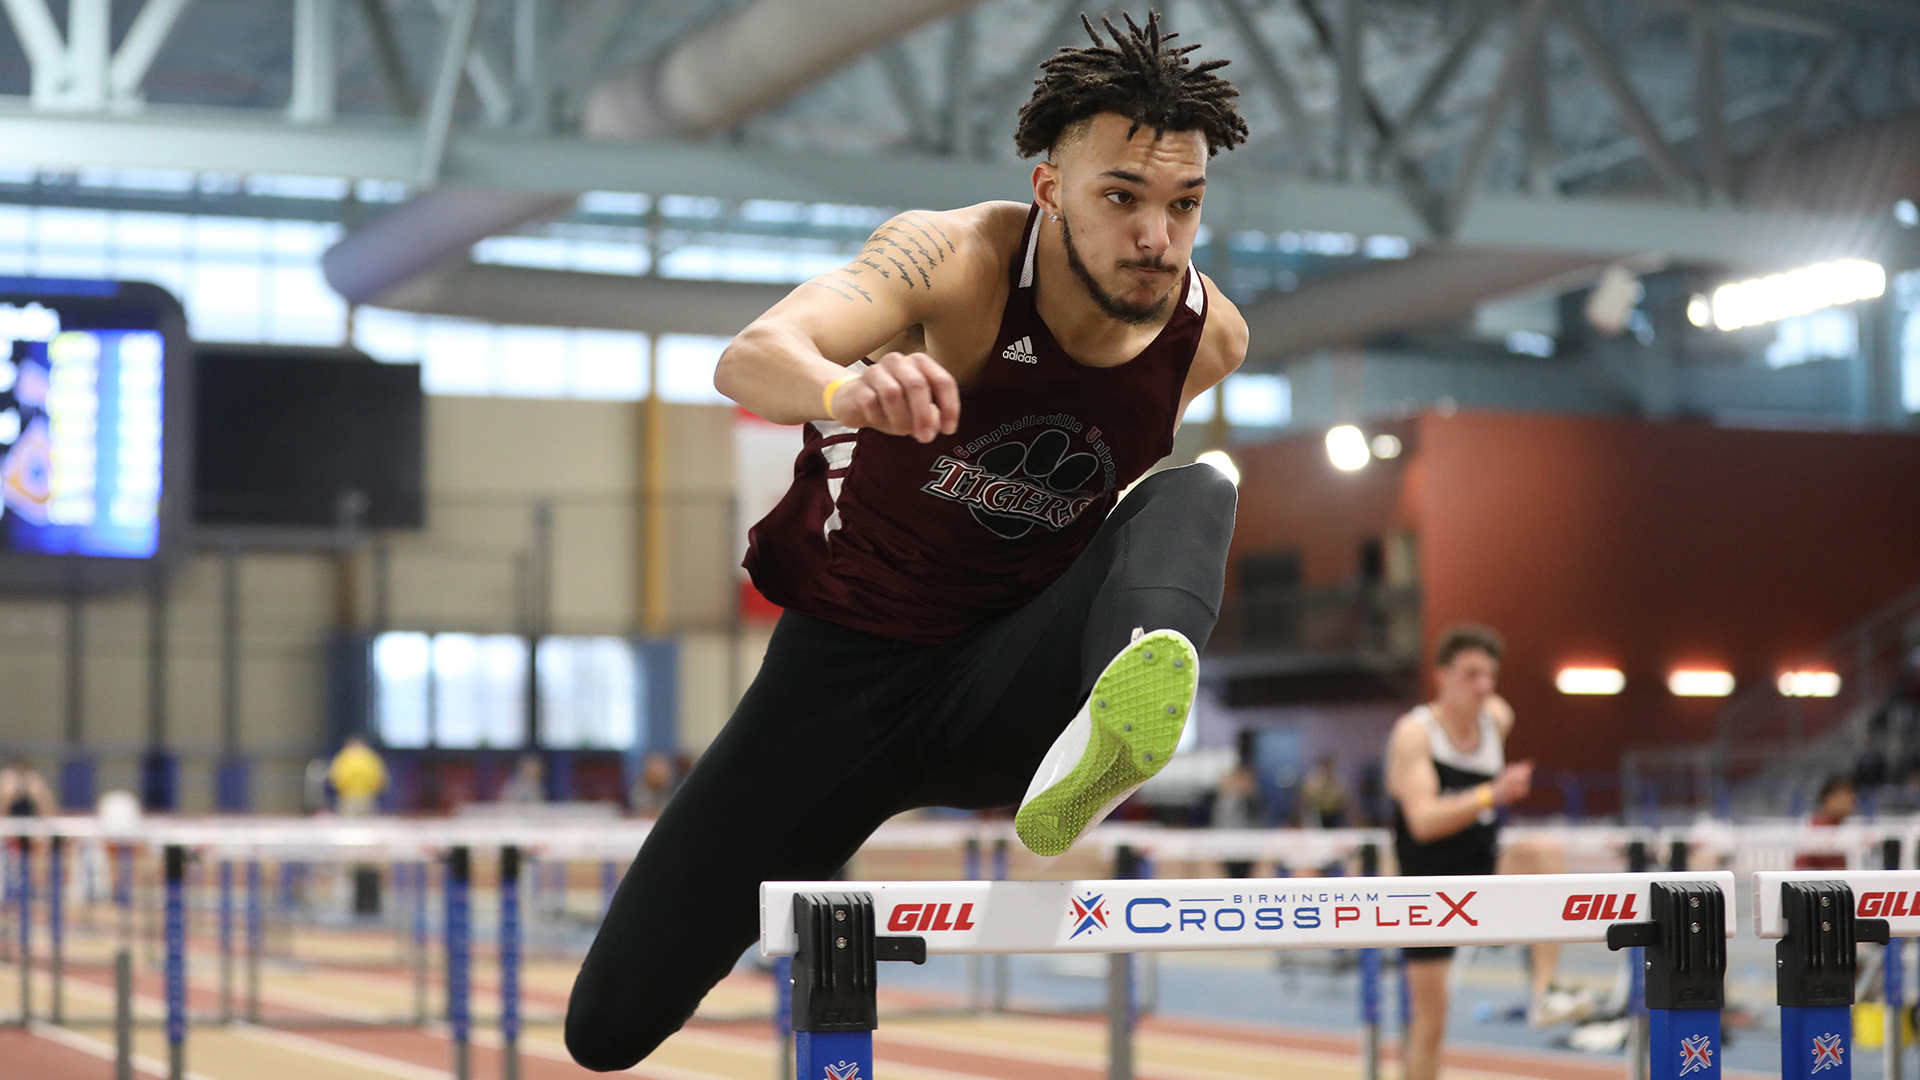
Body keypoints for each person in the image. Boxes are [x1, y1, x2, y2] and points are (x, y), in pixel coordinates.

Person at [566, 13, 1249, 1071]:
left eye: (1185, 205)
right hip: (835, 687)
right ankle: (1100, 726)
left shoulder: (1212, 338)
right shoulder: (960, 261)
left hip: (1007, 684)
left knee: (1198, 485)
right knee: (607, 1029)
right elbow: (754, 356)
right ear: (1048, 188)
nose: (1157, 238)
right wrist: (850, 385)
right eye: (1123, 197)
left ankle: (1120, 725)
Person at [1387, 625, 1549, 1080]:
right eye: (1471, 674)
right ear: (1442, 675)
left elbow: (1493, 706)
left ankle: (1545, 992)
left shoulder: (1495, 717)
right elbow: (1421, 822)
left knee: (1542, 853)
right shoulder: (1415, 734)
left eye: (1490, 675)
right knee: (1430, 1025)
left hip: (1484, 872)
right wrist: (1489, 794)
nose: (1483, 686)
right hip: (1428, 885)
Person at [1794, 774, 1856, 869]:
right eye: (1843, 798)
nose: (1848, 803)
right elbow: (1801, 868)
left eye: (1850, 799)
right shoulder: (1814, 829)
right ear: (1828, 799)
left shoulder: (1849, 829)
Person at [326, 735, 387, 817]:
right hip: (368, 799)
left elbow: (333, 779)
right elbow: (381, 780)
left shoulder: (343, 757)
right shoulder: (371, 758)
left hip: (347, 799)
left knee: (346, 826)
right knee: (369, 826)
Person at [1298, 752, 1350, 828]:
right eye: (1326, 764)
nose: (1328, 766)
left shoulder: (1338, 779)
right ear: (1321, 765)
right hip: (1318, 813)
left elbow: (1344, 798)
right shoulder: (1314, 780)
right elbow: (1306, 796)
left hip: (1335, 812)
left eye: (1329, 764)